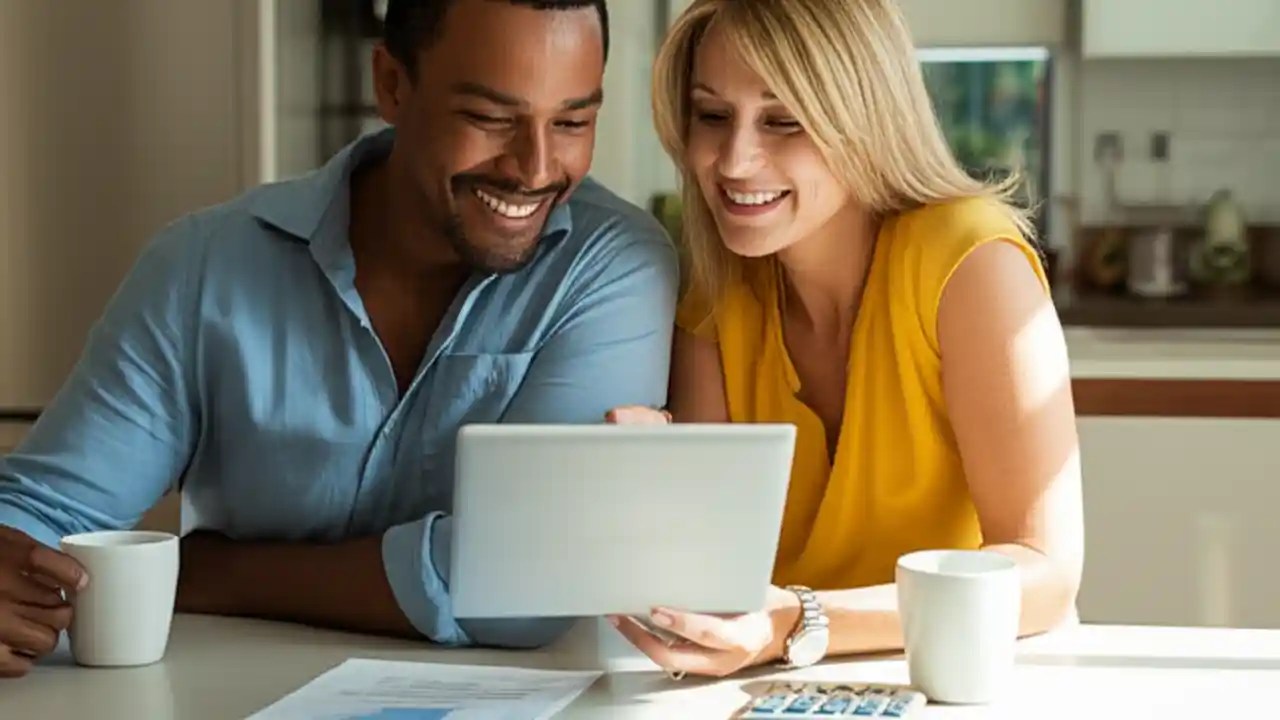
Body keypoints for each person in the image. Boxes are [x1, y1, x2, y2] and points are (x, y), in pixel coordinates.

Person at [0, 0, 678, 679]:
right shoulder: (204, 266)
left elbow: (531, 576)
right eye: (490, 118)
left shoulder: (614, 268)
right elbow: (45, 510)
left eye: (572, 121)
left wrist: (216, 572)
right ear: (391, 85)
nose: (534, 168)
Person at [606, 0, 1084, 679]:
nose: (735, 160)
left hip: (965, 676)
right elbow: (716, 579)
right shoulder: (714, 286)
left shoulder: (971, 264)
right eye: (712, 115)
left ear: (864, 121)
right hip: (786, 684)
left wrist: (797, 621)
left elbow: (1045, 575)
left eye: (784, 121)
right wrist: (653, 501)